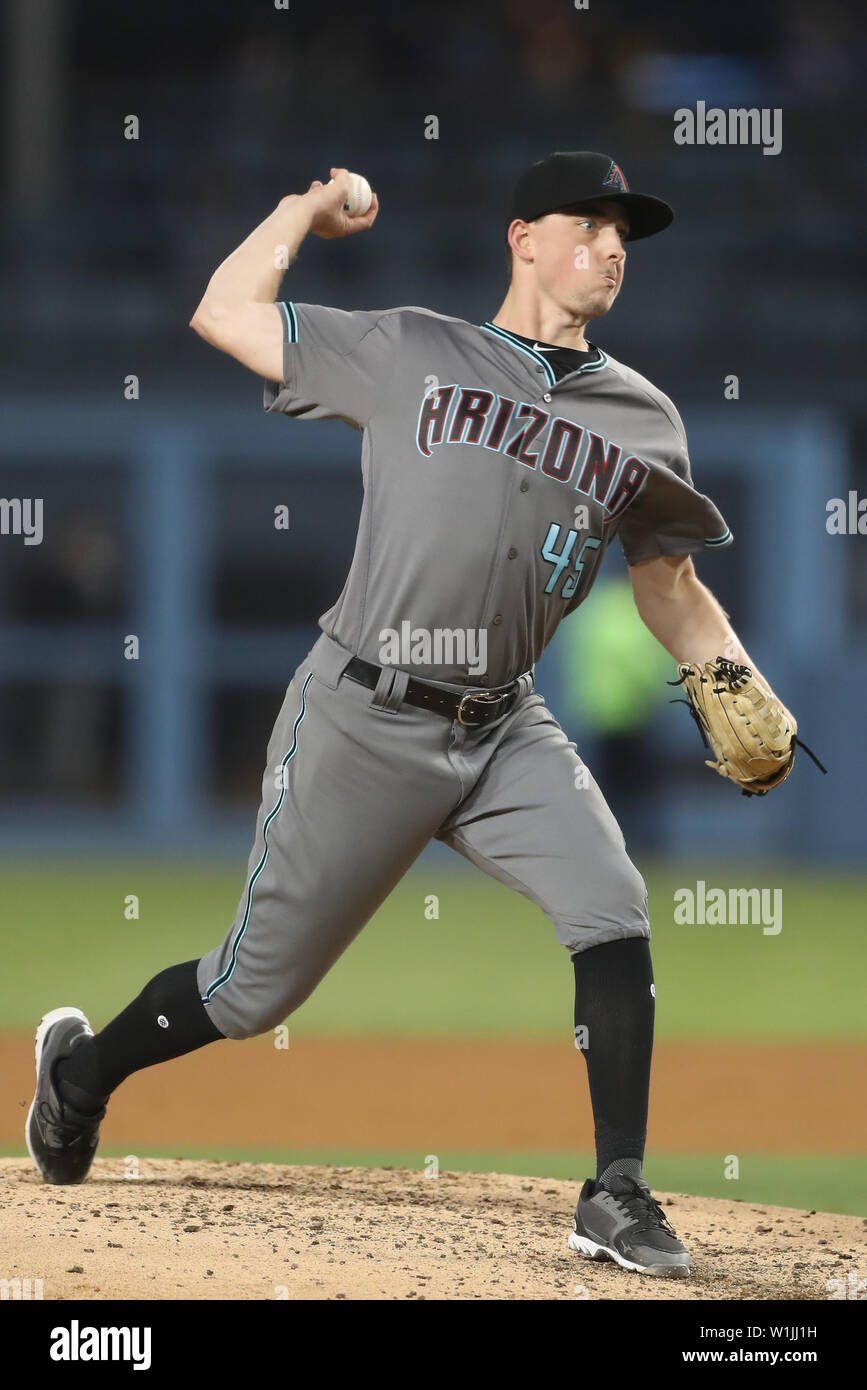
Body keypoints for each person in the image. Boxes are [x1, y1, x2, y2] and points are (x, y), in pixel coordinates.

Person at [27, 152, 794, 1280]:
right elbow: (223, 310)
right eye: (590, 225)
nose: (614, 247)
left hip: (503, 728)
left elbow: (670, 588)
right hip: (362, 712)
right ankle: (82, 1075)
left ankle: (616, 1193)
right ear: (522, 237)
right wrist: (299, 208)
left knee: (612, 903)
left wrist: (738, 680)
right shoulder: (412, 349)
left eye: (627, 232)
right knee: (251, 992)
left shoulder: (646, 420)